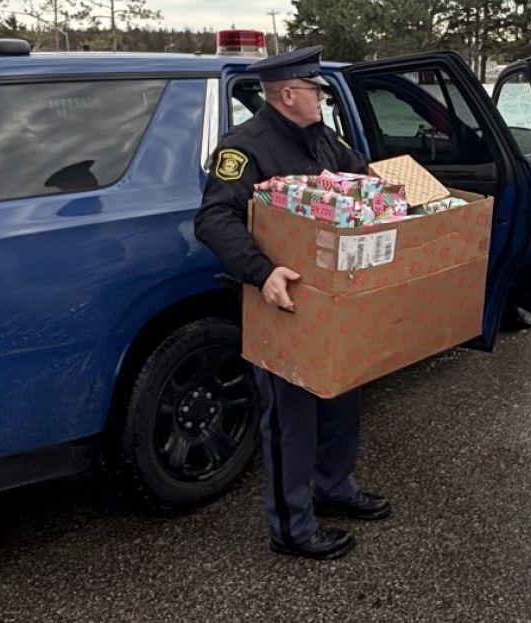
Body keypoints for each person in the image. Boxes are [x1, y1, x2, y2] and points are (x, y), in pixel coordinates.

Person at [195, 45, 390, 560]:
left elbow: (366, 183)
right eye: (318, 91)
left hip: (333, 299)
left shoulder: (323, 139)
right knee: (290, 415)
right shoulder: (245, 148)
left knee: (342, 391)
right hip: (281, 301)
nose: (324, 99)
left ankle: (334, 487)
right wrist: (262, 273)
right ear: (288, 93)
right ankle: (292, 526)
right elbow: (214, 219)